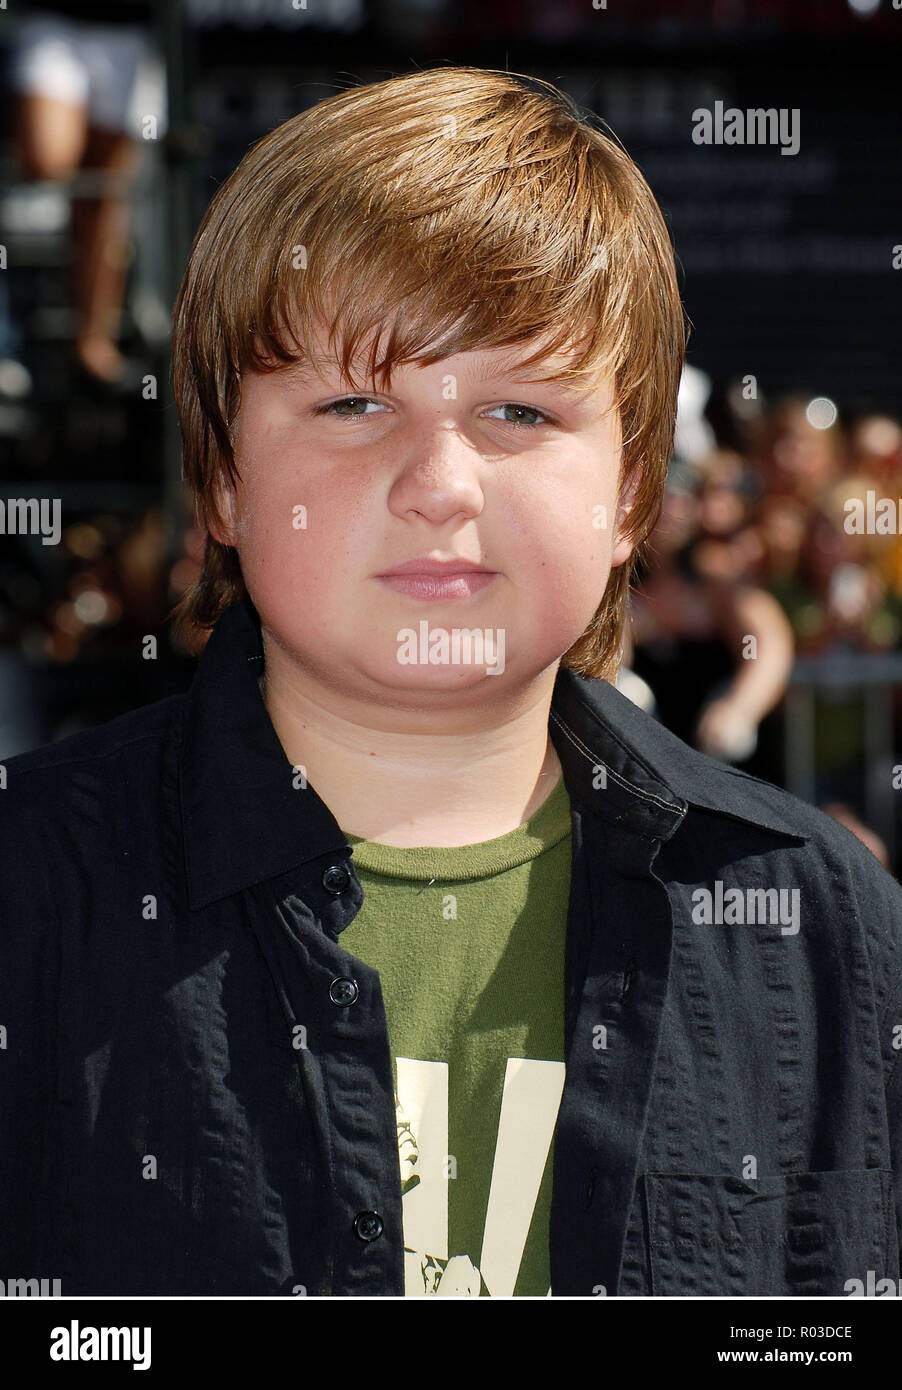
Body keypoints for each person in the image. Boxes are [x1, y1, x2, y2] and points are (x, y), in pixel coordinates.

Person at [2, 66, 902, 1298]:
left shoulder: (820, 924)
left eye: (520, 412)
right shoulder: (28, 890)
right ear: (221, 478)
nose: (441, 481)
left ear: (632, 487)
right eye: (354, 400)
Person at [8, 0, 154, 387]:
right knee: (48, 161)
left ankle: (93, 341)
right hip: (53, 21)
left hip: (130, 30)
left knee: (105, 194)